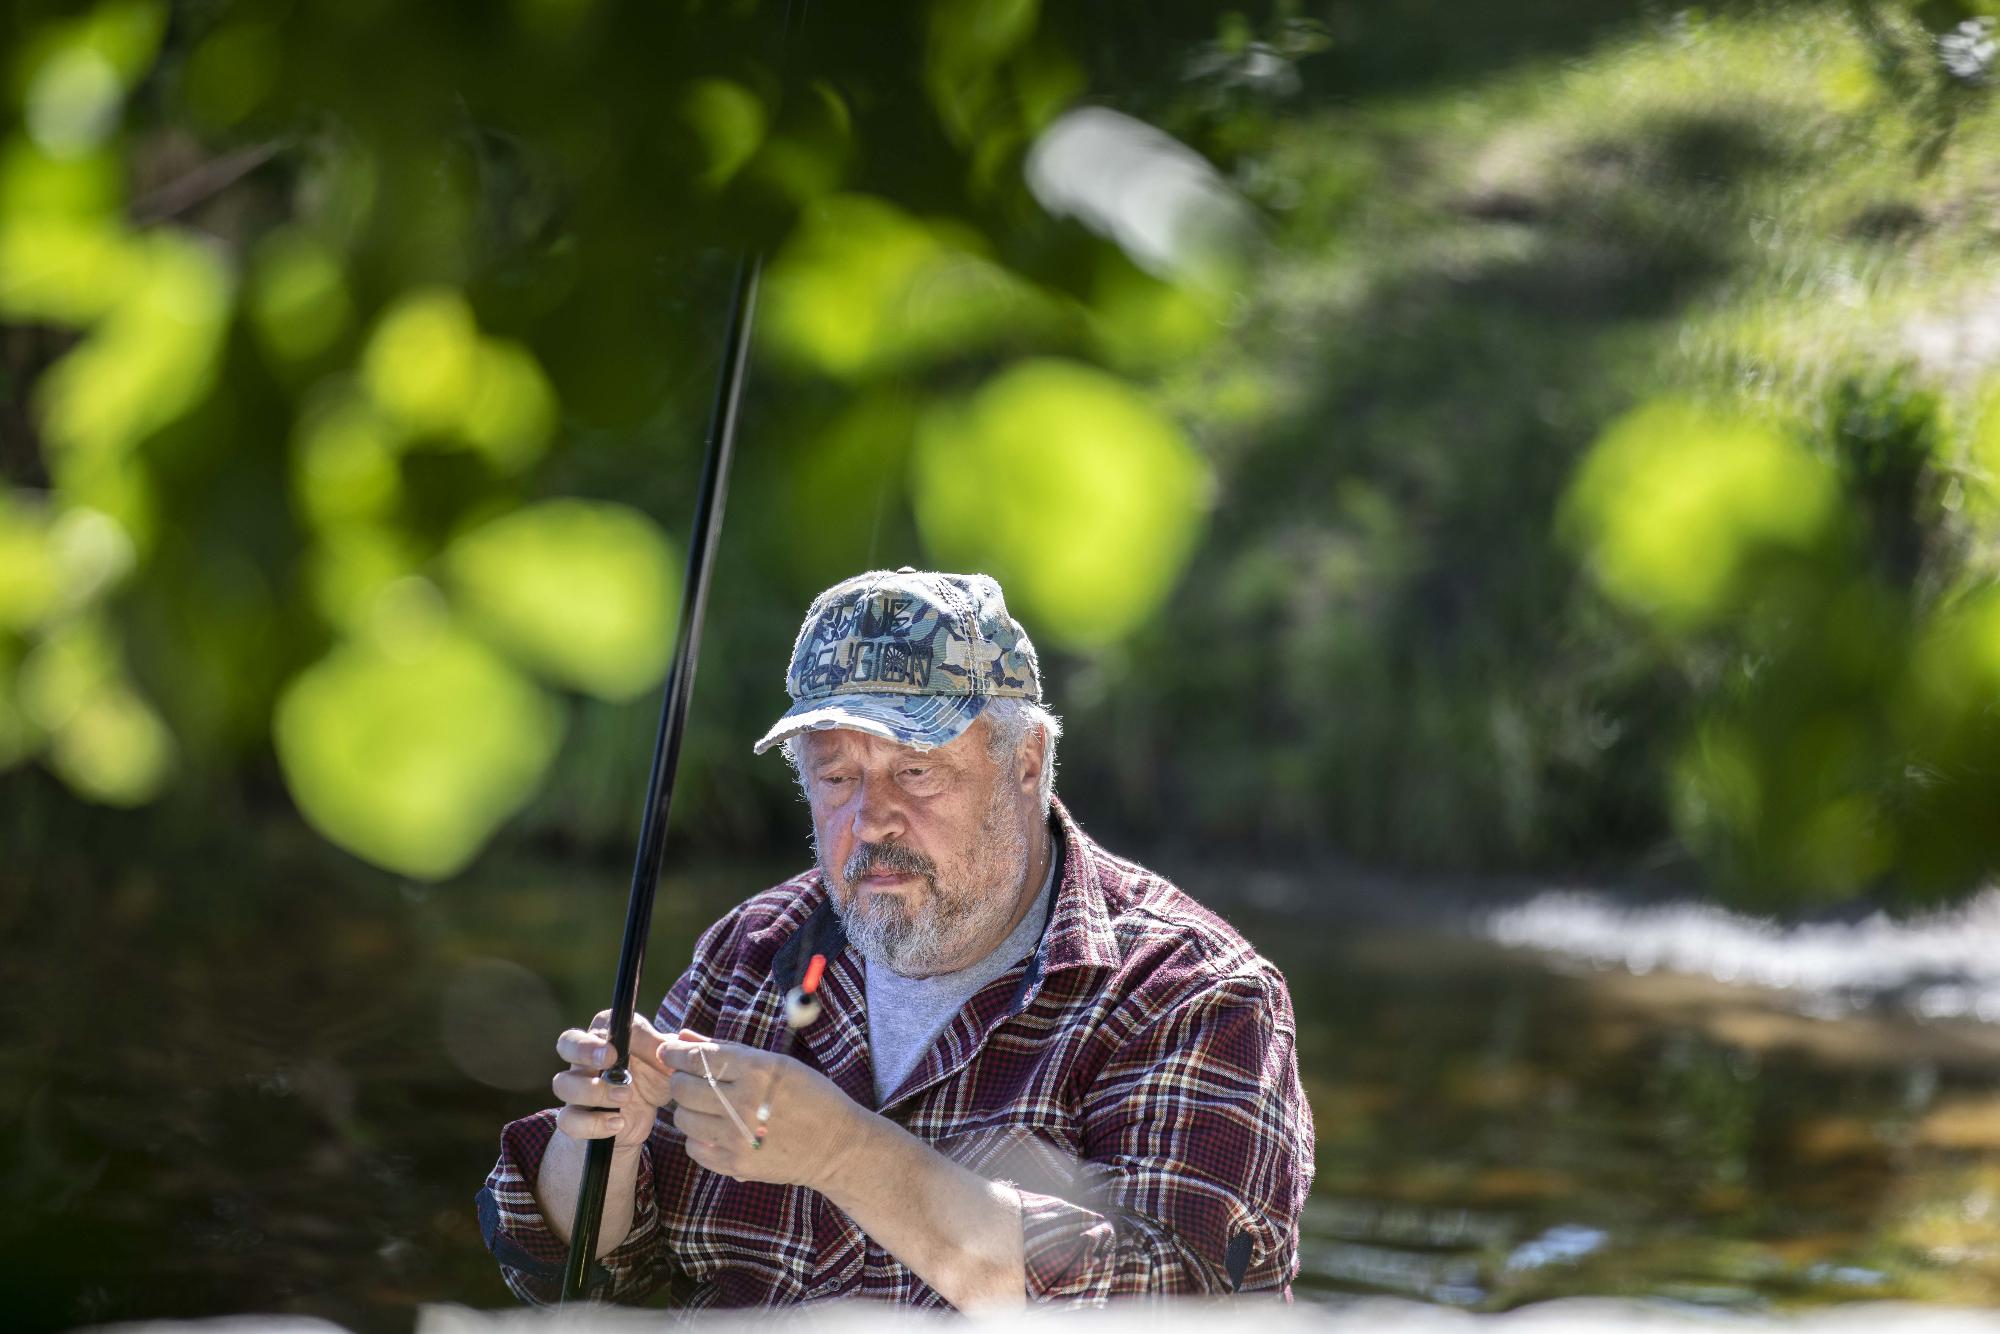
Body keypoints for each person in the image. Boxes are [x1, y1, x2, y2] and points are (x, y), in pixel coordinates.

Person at [477, 568, 1314, 1308]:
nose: (869, 819)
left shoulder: (1195, 994)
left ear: (1027, 761)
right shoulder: (752, 951)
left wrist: (845, 1153)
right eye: (835, 777)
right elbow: (578, 1277)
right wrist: (599, 1143)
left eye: (915, 772)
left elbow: (1174, 1304)